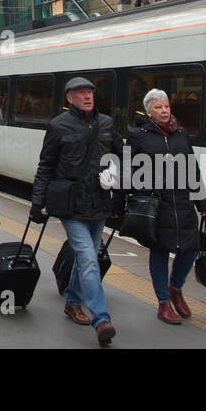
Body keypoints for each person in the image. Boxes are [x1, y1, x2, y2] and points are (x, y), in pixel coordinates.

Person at [31, 76, 123, 346]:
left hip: (99, 203)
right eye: (80, 92)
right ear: (69, 98)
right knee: (87, 257)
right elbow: (45, 166)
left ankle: (72, 302)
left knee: (88, 256)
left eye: (90, 92)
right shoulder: (58, 126)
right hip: (70, 205)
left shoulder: (106, 124)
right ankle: (101, 319)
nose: (87, 96)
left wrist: (119, 191)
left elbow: (122, 157)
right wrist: (37, 203)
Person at [127, 89, 206, 324]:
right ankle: (163, 302)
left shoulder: (181, 134)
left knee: (190, 248)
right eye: (158, 107)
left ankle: (176, 288)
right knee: (160, 251)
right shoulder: (138, 136)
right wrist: (123, 201)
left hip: (182, 200)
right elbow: (127, 169)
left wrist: (202, 201)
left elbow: (192, 168)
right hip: (156, 203)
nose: (164, 111)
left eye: (166, 106)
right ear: (149, 112)